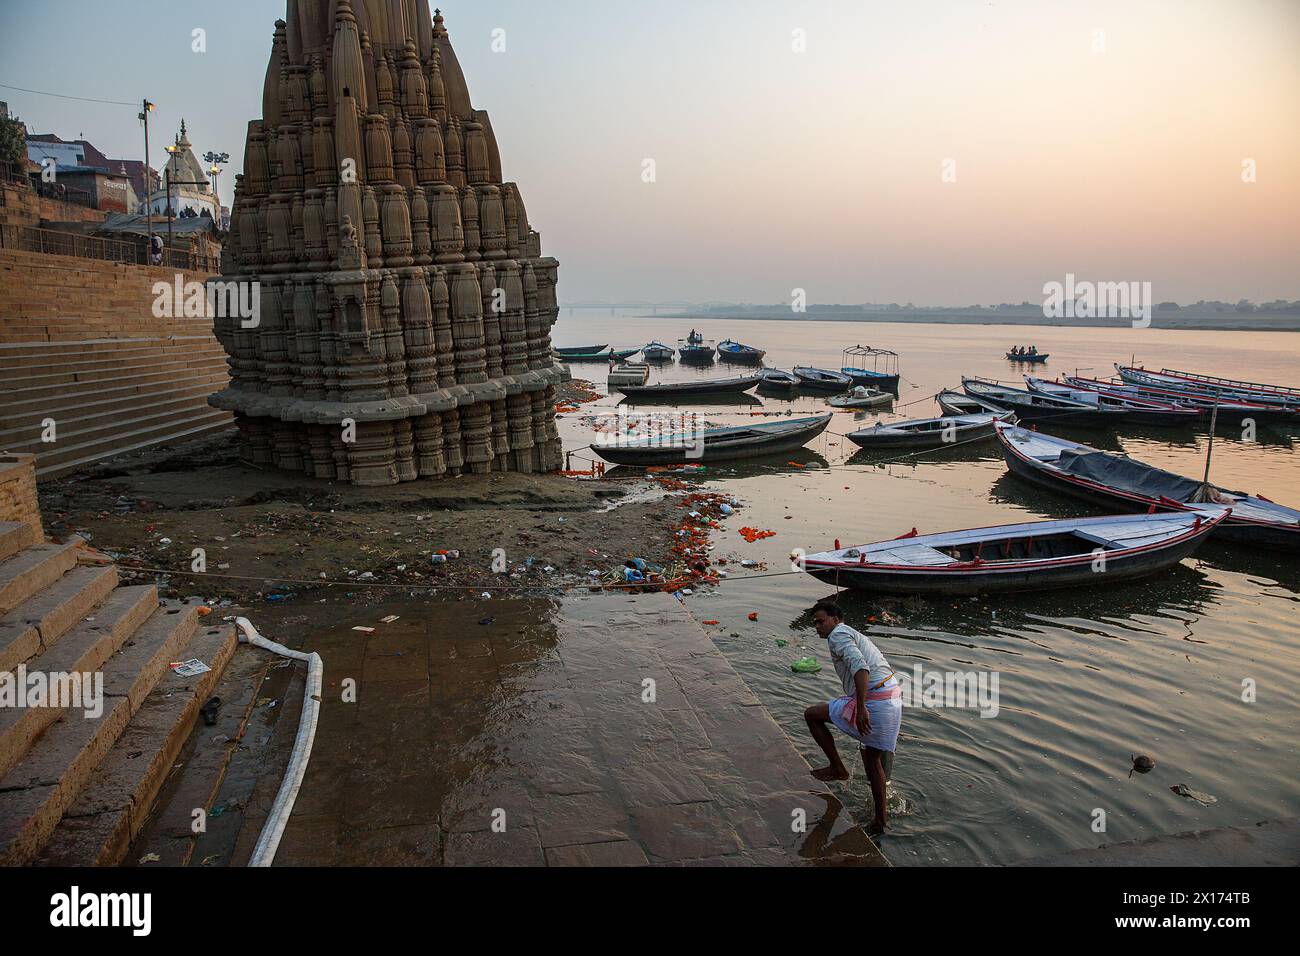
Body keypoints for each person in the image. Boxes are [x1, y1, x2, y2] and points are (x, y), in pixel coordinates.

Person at [803, 600, 901, 833]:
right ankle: (881, 819)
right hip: (891, 696)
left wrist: (861, 707)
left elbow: (861, 668)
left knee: (812, 715)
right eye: (815, 622)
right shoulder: (849, 633)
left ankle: (838, 769)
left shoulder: (838, 635)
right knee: (872, 760)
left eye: (821, 621)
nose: (817, 626)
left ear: (835, 620)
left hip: (876, 700)